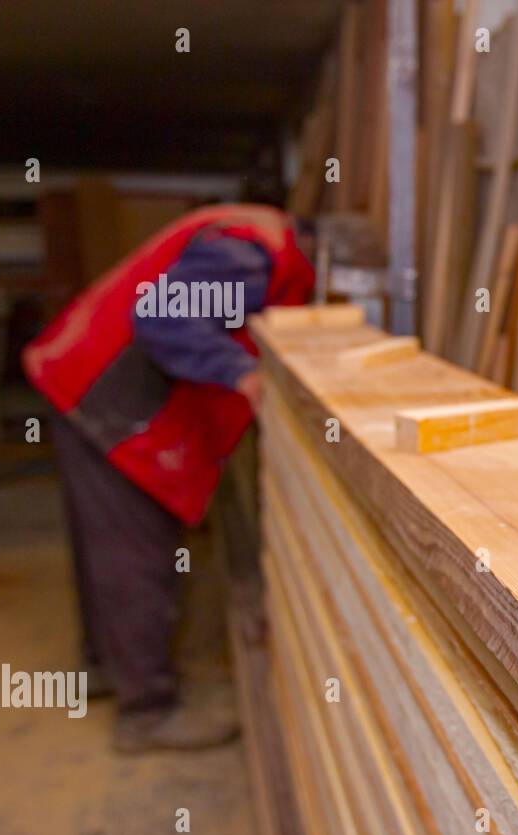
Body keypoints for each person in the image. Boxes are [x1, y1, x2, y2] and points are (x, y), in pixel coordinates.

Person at [22, 204, 315, 752]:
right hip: (112, 399)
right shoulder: (252, 256)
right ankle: (146, 712)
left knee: (104, 543)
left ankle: (107, 668)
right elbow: (164, 316)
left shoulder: (255, 234)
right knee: (135, 552)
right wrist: (243, 374)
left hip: (82, 381)